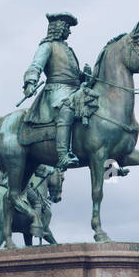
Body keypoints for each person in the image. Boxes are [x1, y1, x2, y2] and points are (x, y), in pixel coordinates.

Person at [21, 12, 92, 171]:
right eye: (67, 27)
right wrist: (30, 82)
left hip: (74, 89)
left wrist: (85, 75)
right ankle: (62, 155)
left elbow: (72, 74)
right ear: (59, 28)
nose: (69, 31)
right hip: (57, 90)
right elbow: (36, 65)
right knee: (67, 109)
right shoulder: (47, 46)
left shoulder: (68, 49)